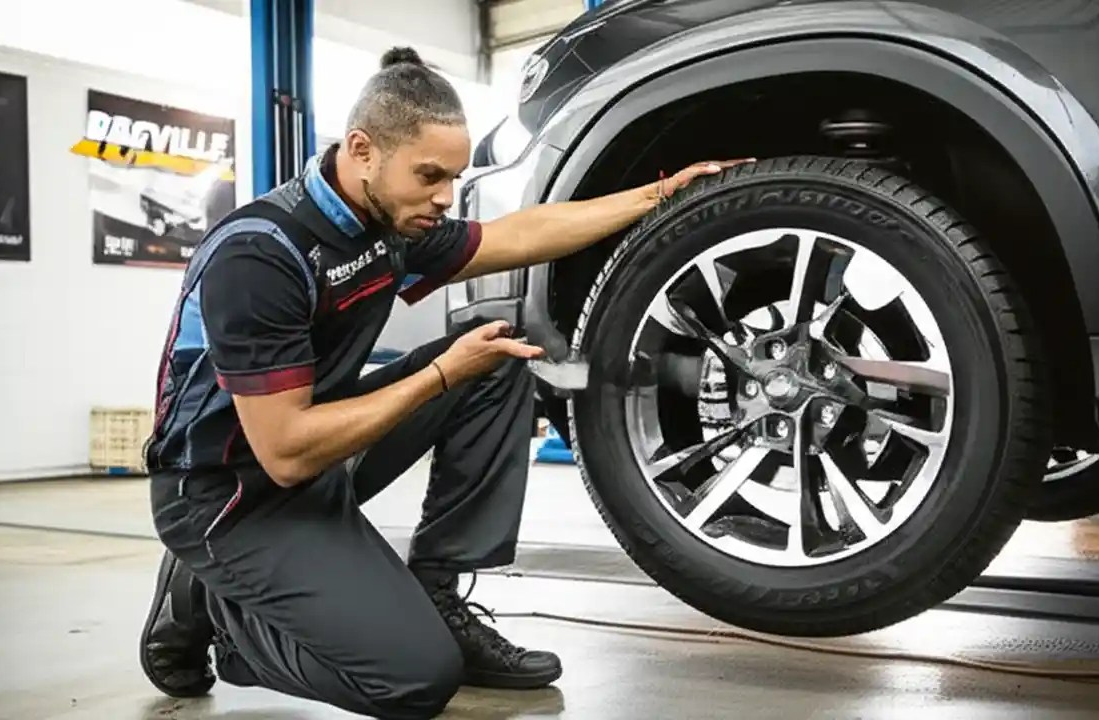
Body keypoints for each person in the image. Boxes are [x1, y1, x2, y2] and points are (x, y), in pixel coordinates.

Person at [138, 45, 750, 719]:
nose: (443, 197)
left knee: (496, 362)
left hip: (317, 454)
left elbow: (519, 235)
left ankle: (436, 592)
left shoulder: (387, 223)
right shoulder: (262, 255)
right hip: (230, 495)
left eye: (454, 178)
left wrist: (661, 193)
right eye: (430, 175)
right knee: (414, 682)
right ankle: (221, 616)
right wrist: (437, 374)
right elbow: (285, 454)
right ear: (363, 150)